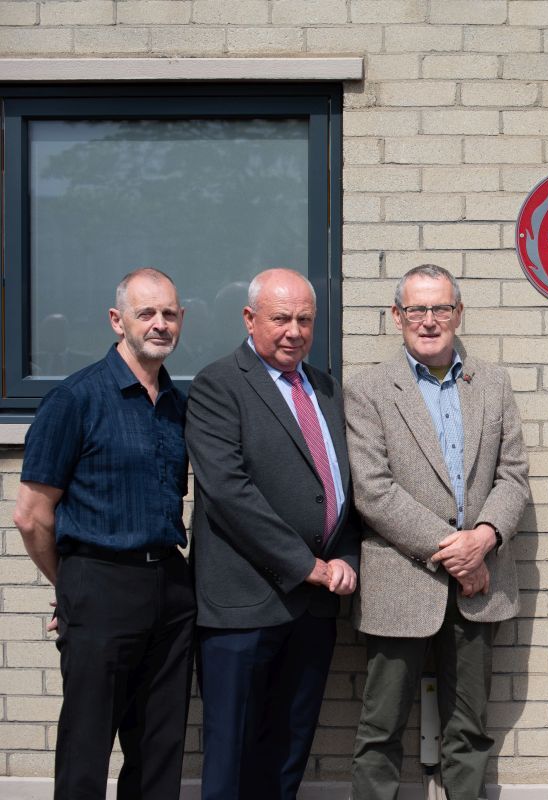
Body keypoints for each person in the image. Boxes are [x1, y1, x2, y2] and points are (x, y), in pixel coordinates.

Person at [346, 264, 530, 800]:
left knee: (469, 730)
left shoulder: (492, 383)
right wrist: (457, 552)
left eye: (441, 309)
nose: (429, 321)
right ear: (397, 316)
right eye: (417, 310)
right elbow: (374, 491)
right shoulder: (369, 390)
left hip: (482, 585)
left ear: (458, 313)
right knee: (380, 732)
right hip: (402, 582)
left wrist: (486, 538)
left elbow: (513, 475)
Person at [13, 268, 193, 800]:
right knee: (87, 742)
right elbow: (31, 514)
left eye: (168, 313)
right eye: (146, 313)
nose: (159, 324)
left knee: (160, 743)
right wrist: (70, 585)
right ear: (118, 321)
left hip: (170, 584)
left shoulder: (176, 405)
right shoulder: (75, 400)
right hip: (99, 581)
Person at [187, 267, 360, 800]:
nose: (294, 331)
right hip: (244, 605)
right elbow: (229, 492)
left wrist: (347, 554)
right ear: (250, 319)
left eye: (304, 320)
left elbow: (344, 486)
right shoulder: (218, 384)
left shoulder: (326, 388)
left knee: (288, 753)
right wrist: (303, 564)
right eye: (281, 318)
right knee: (233, 755)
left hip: (314, 609)